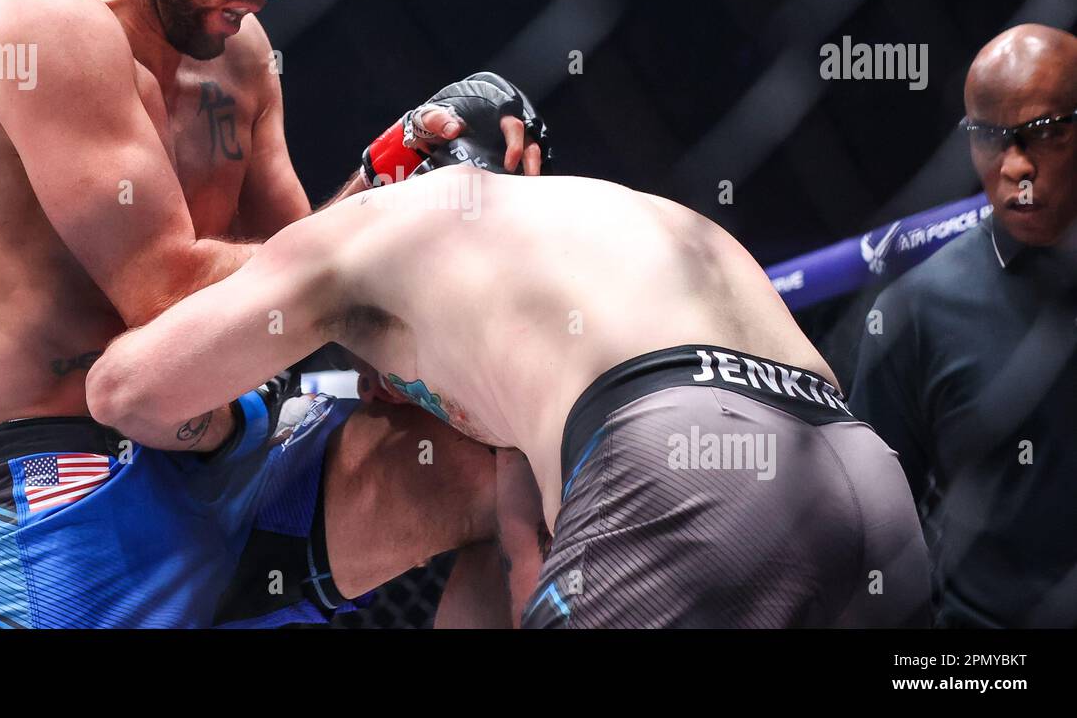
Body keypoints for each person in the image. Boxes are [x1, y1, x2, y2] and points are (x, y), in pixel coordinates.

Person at [0, 0, 545, 628]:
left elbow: (309, 272)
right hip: (67, 492)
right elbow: (166, 288)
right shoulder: (38, 28)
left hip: (248, 454)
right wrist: (400, 227)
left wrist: (393, 178)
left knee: (516, 468)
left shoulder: (241, 57)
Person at [87, 167, 931, 627]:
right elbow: (517, 571)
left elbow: (126, 391)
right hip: (870, 482)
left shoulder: (358, 232)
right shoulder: (587, 224)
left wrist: (243, 415)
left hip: (679, 462)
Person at [851, 23, 1077, 627]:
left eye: (1046, 132)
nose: (1016, 168)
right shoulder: (915, 310)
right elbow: (874, 525)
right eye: (989, 138)